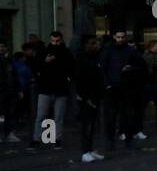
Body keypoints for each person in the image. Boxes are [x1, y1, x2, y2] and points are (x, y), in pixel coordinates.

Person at [28, 30, 74, 149]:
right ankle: (37, 139)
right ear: (50, 40)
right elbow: (36, 67)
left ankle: (55, 139)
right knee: (42, 116)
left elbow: (72, 68)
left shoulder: (66, 53)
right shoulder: (44, 52)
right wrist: (44, 62)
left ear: (61, 40)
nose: (55, 43)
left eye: (57, 41)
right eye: (53, 41)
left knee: (57, 117)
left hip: (58, 89)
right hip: (47, 89)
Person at [98, 30, 143, 150]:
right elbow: (103, 69)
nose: (121, 39)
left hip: (125, 86)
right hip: (114, 86)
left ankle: (126, 139)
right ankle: (111, 141)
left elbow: (141, 65)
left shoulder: (129, 51)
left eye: (122, 37)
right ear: (114, 37)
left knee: (126, 114)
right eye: (118, 37)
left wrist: (131, 68)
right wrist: (107, 84)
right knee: (112, 116)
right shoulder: (109, 50)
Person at [74, 35, 105, 163]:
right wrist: (86, 97)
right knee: (86, 125)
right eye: (93, 43)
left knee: (92, 125)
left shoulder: (95, 58)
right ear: (86, 45)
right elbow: (79, 80)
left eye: (96, 43)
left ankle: (90, 150)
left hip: (95, 96)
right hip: (87, 98)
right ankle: (85, 151)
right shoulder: (81, 59)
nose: (96, 45)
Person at [0, 41, 20, 142]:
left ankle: (9, 134)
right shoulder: (7, 61)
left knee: (10, 113)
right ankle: (6, 134)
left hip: (10, 91)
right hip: (3, 91)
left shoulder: (9, 60)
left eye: (3, 46)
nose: (1, 48)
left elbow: (14, 75)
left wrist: (18, 89)